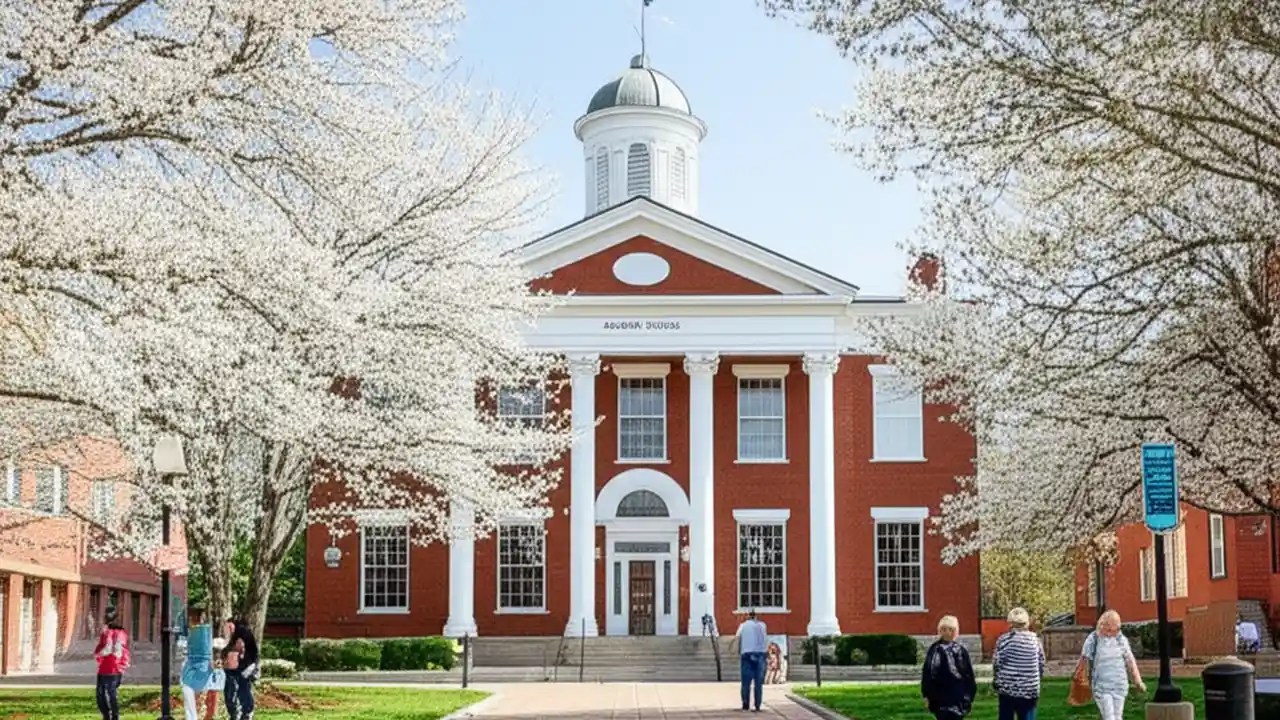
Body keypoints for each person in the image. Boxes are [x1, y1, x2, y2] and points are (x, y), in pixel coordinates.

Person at [1076, 610, 1146, 720]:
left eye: (1114, 630)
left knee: (1117, 716)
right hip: (1102, 687)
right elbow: (1084, 659)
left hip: (1119, 686)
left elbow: (1130, 660)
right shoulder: (1093, 639)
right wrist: (1081, 678)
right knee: (1109, 716)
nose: (1110, 633)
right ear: (1101, 625)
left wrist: (1138, 681)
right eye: (1107, 629)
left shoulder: (1121, 640)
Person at [992, 607, 1045, 720]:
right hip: (1030, 690)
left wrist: (996, 681)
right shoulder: (1035, 640)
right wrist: (1036, 679)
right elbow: (1041, 663)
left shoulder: (1004, 640)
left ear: (1010, 624)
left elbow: (997, 663)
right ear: (1027, 623)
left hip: (1008, 689)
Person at [921, 615, 977, 720]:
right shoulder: (935, 650)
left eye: (950, 629)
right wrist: (927, 694)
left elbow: (968, 673)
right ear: (939, 631)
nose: (947, 632)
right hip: (940, 695)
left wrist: (970, 693)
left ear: (956, 632)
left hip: (957, 694)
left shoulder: (960, 650)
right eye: (944, 629)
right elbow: (928, 672)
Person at [180, 608, 224, 720]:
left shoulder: (206, 631)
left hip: (206, 665)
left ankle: (209, 716)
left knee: (210, 692)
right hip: (195, 665)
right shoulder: (191, 634)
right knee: (192, 691)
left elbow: (219, 644)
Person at [93, 608, 129, 720]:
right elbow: (122, 650)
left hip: (108, 668)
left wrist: (97, 654)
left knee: (102, 694)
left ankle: (109, 716)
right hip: (115, 669)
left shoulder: (107, 632)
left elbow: (106, 648)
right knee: (110, 693)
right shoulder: (122, 633)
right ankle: (113, 716)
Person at [222, 618, 260, 720]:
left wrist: (251, 667)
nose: (228, 629)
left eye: (230, 626)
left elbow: (252, 653)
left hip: (245, 667)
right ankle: (234, 714)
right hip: (232, 668)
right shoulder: (230, 636)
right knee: (230, 692)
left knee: (244, 690)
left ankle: (246, 713)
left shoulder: (243, 632)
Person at [733, 610, 768, 712]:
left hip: (747, 654)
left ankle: (745, 704)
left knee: (746, 682)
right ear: (756, 617)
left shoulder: (743, 625)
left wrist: (736, 650)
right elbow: (764, 638)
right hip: (761, 654)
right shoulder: (763, 625)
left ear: (747, 617)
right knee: (758, 682)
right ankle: (757, 705)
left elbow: (737, 637)